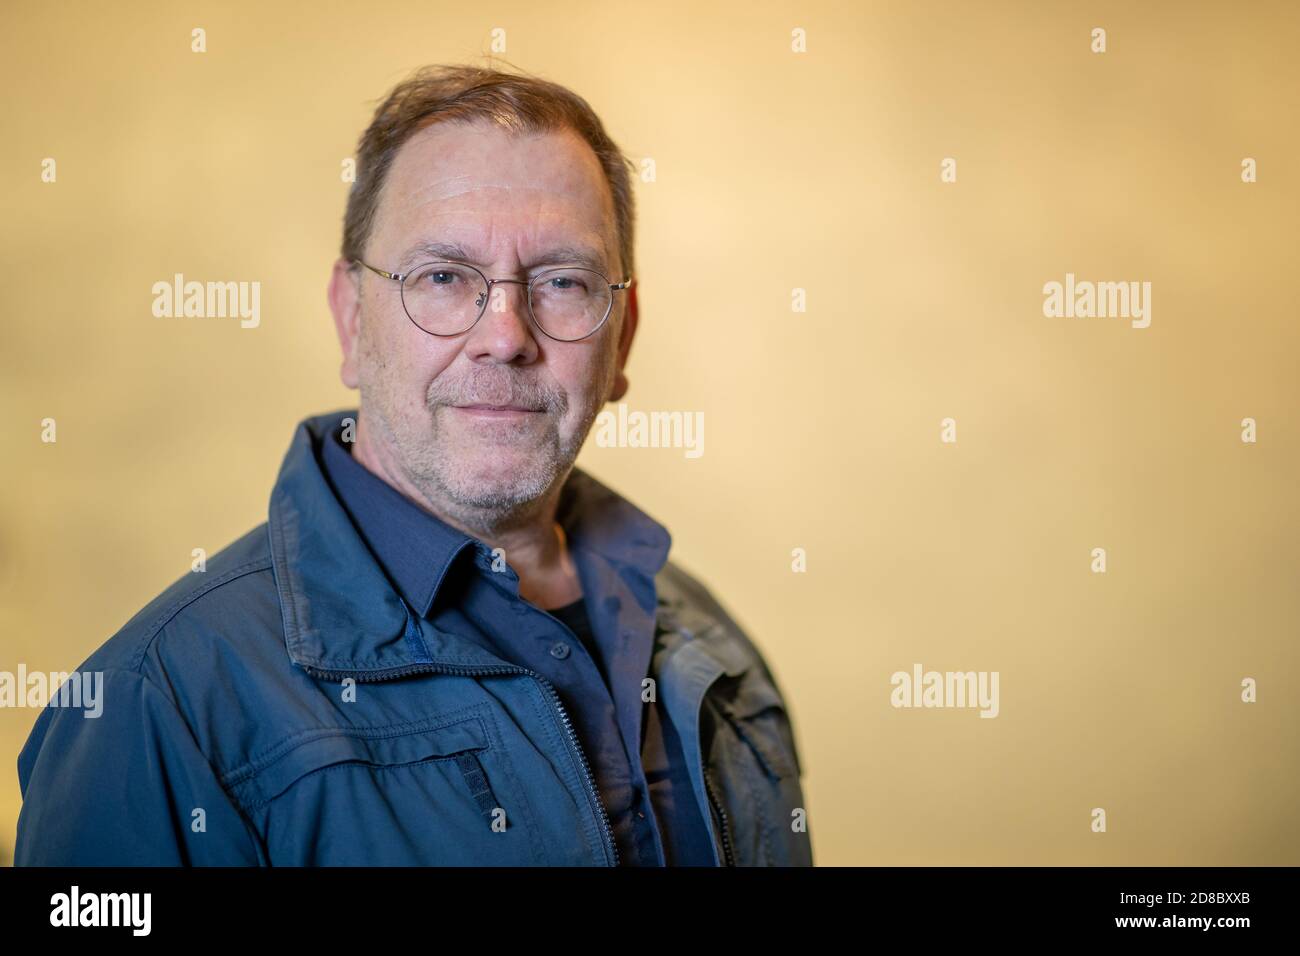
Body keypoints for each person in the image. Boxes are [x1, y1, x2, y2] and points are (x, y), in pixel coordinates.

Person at [14, 64, 812, 866]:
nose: (505, 335)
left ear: (623, 336)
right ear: (352, 319)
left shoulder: (704, 636)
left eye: (562, 281)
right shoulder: (160, 706)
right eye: (443, 277)